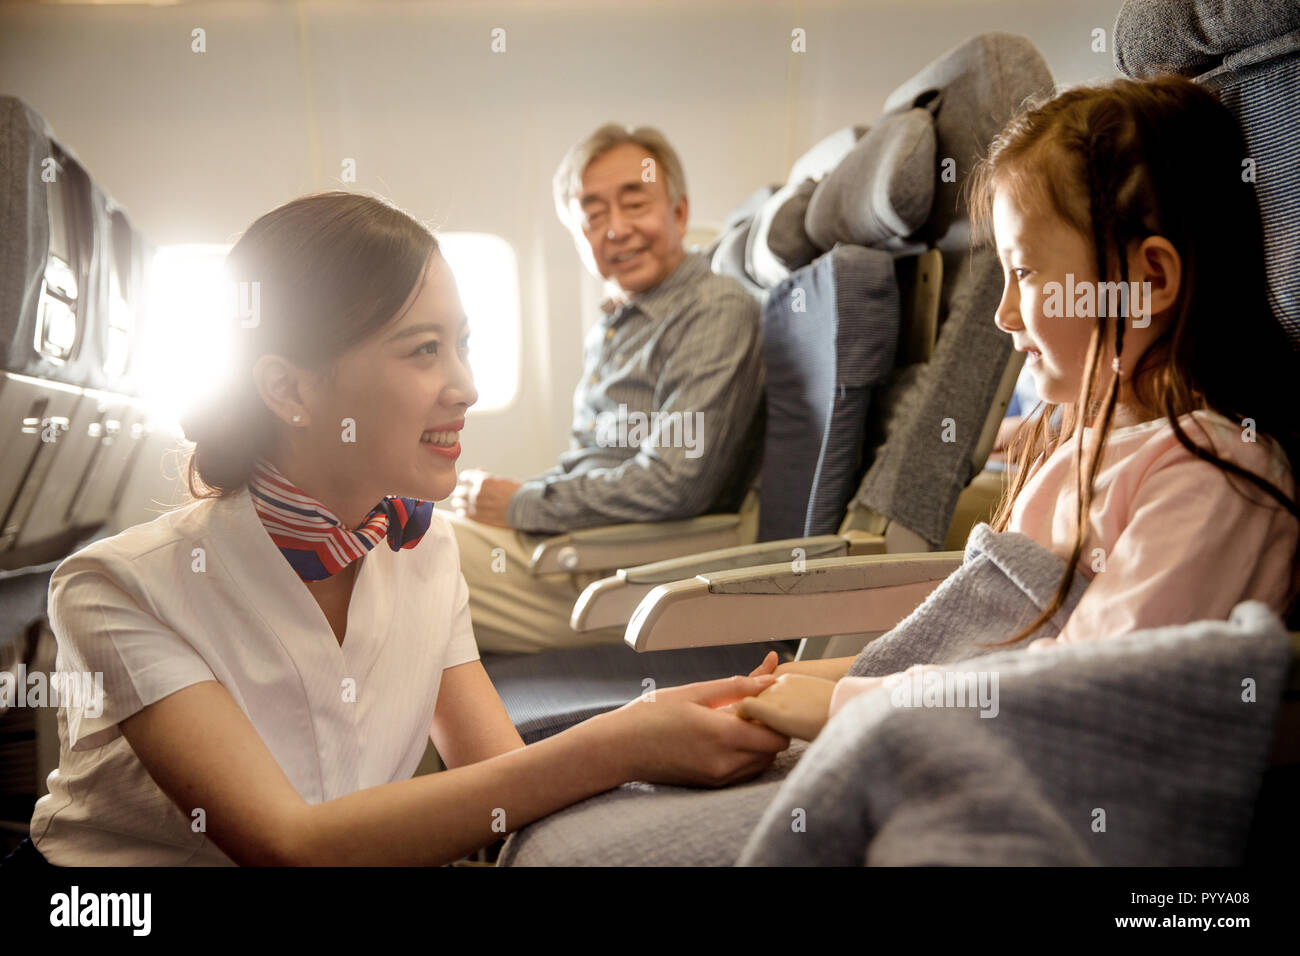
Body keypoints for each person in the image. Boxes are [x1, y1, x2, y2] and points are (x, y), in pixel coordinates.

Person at [13, 191, 787, 867]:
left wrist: (670, 726)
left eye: (463, 344)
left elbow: (497, 773)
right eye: (424, 350)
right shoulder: (119, 586)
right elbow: (291, 846)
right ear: (290, 388)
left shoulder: (428, 546)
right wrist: (620, 742)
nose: (468, 387)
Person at [734, 75, 1300, 742]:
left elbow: (1079, 696)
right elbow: (967, 649)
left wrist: (839, 707)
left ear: (1147, 280)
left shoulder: (1214, 477)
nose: (1003, 315)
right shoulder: (1078, 444)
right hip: (929, 728)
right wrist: (804, 685)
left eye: (1025, 274)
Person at [448, 124, 764, 653]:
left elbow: (674, 483)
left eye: (635, 204)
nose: (616, 229)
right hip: (580, 548)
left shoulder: (712, 310)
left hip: (627, 575)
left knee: (397, 553)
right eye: (593, 215)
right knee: (403, 527)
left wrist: (523, 503)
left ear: (679, 213)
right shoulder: (615, 323)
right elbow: (599, 460)